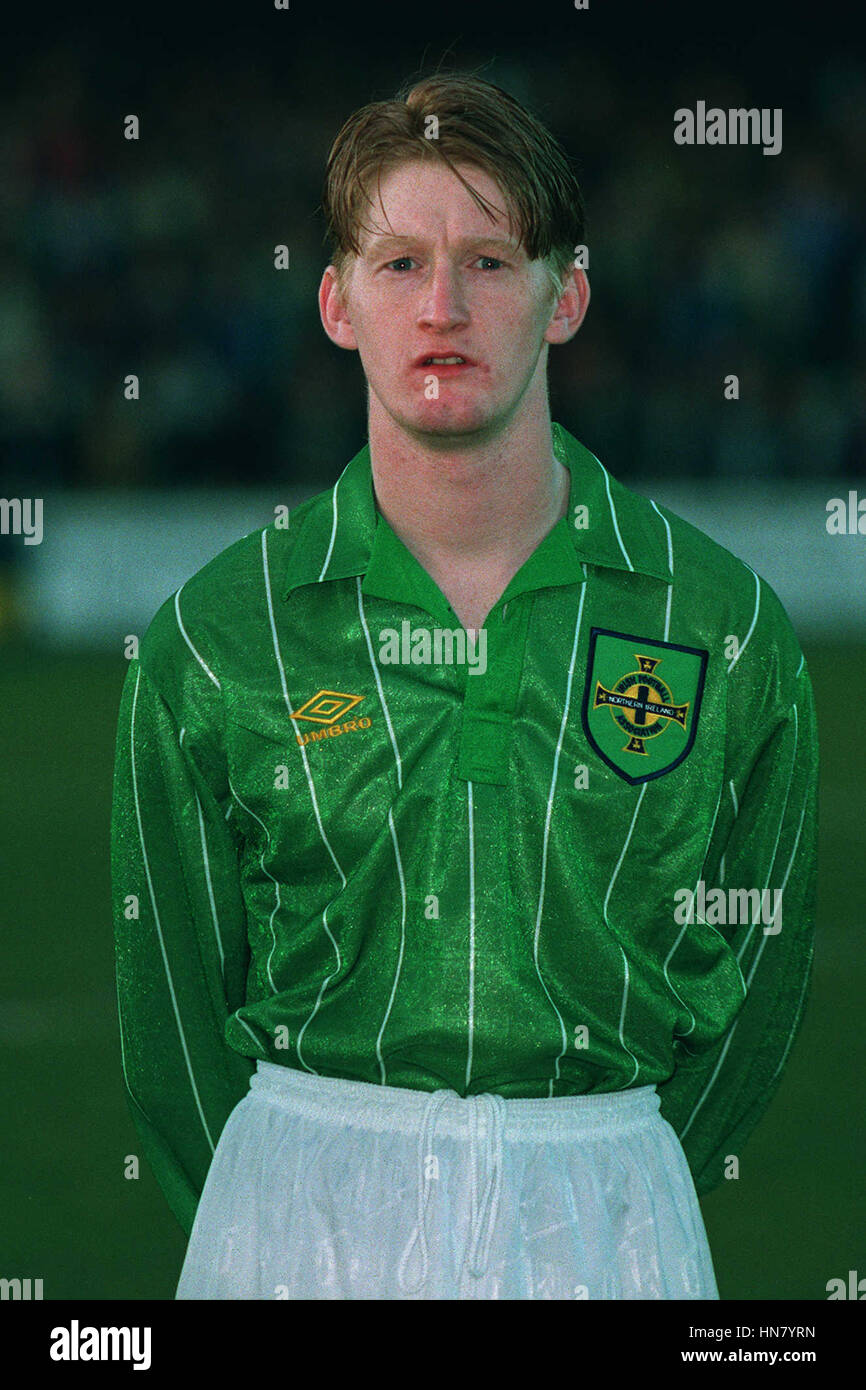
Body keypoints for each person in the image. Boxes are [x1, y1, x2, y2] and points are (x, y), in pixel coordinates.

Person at [111, 72, 818, 1300]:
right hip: (299, 1219)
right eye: (398, 263)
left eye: (490, 261)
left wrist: (598, 1177)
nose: (443, 304)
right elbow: (168, 1017)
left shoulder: (720, 627)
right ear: (336, 302)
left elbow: (751, 999)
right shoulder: (218, 639)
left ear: (565, 296)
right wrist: (295, 1195)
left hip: (605, 1221)